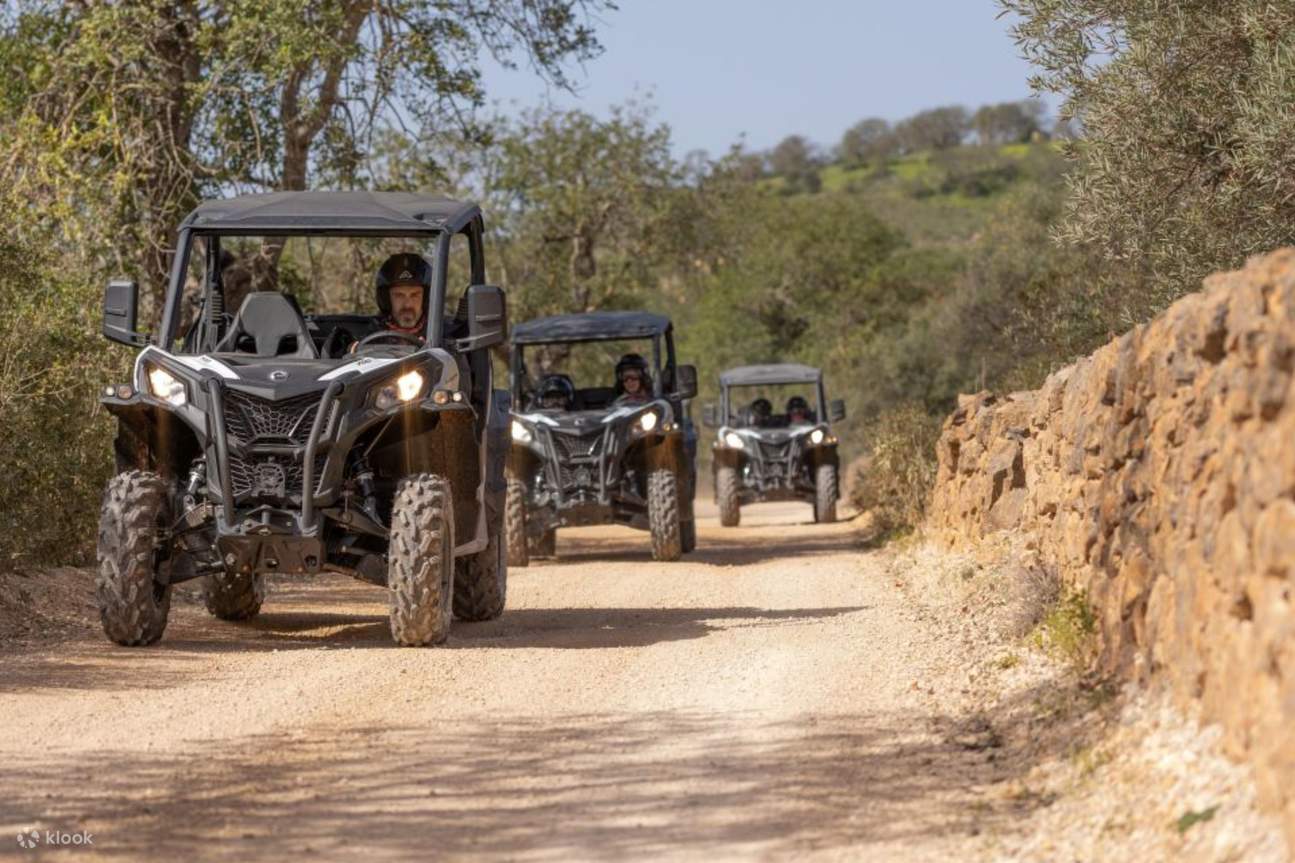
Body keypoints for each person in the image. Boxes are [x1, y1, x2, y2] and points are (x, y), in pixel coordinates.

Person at [374, 252, 431, 337]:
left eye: (415, 295)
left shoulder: (442, 335)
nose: (407, 305)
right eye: (399, 295)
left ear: (426, 299)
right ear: (387, 300)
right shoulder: (368, 334)